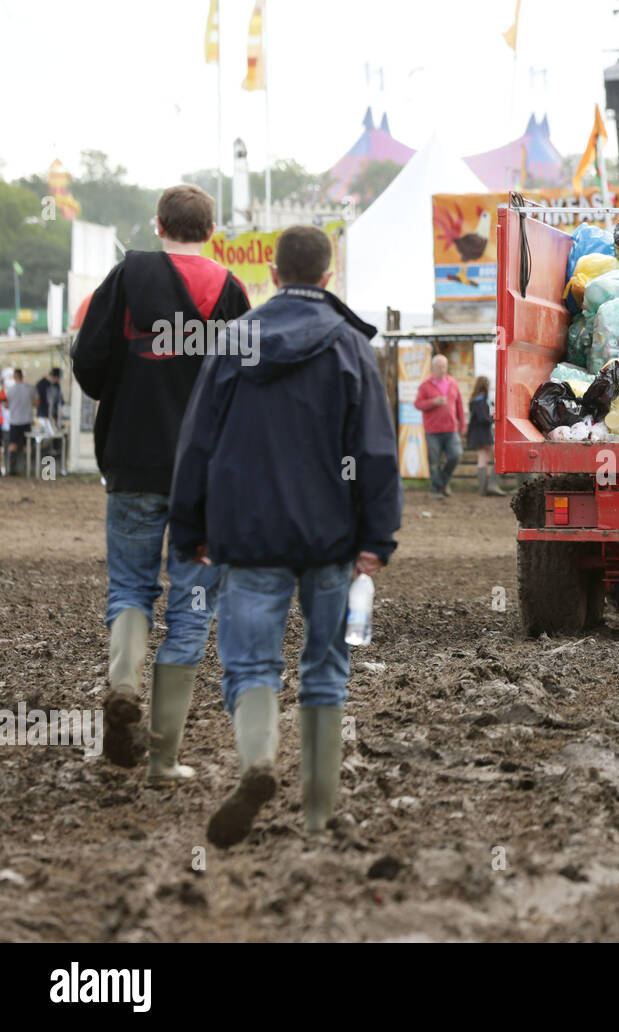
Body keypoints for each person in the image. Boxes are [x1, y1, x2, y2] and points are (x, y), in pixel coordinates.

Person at [170, 225, 402, 847]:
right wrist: (377, 538)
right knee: (325, 670)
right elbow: (376, 453)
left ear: (273, 274)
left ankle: (256, 766)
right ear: (327, 278)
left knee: (250, 665)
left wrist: (190, 526)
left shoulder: (233, 342)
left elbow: (197, 441)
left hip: (246, 536)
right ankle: (319, 816)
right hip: (331, 538)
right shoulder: (352, 346)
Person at [72, 184, 250, 778]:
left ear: (158, 224)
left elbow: (88, 357)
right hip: (208, 477)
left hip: (132, 459)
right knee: (193, 607)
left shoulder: (125, 277)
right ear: (212, 230)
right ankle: (162, 759)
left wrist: (120, 395)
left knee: (129, 587)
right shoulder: (230, 291)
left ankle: (123, 681)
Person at [415, 353, 465, 499]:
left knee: (456, 455)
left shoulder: (453, 382)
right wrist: (433, 402)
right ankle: (436, 490)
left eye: (444, 366)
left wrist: (462, 424)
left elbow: (459, 405)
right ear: (433, 368)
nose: (442, 369)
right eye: (439, 367)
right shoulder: (425, 385)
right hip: (432, 430)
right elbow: (418, 404)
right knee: (434, 462)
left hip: (451, 429)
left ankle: (442, 483)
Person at [466, 375, 506, 496]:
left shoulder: (474, 399)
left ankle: (483, 489)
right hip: (482, 434)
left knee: (482, 459)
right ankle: (492, 485)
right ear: (485, 386)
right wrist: (493, 418)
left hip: (476, 434)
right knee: (497, 456)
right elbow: (483, 418)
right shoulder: (481, 400)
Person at [4, 369, 36, 472]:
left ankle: (11, 469)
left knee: (13, 445)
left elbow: (6, 405)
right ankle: (27, 468)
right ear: (22, 376)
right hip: (27, 420)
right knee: (27, 446)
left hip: (14, 422)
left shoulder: (10, 390)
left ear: (14, 377)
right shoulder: (30, 388)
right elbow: (37, 402)